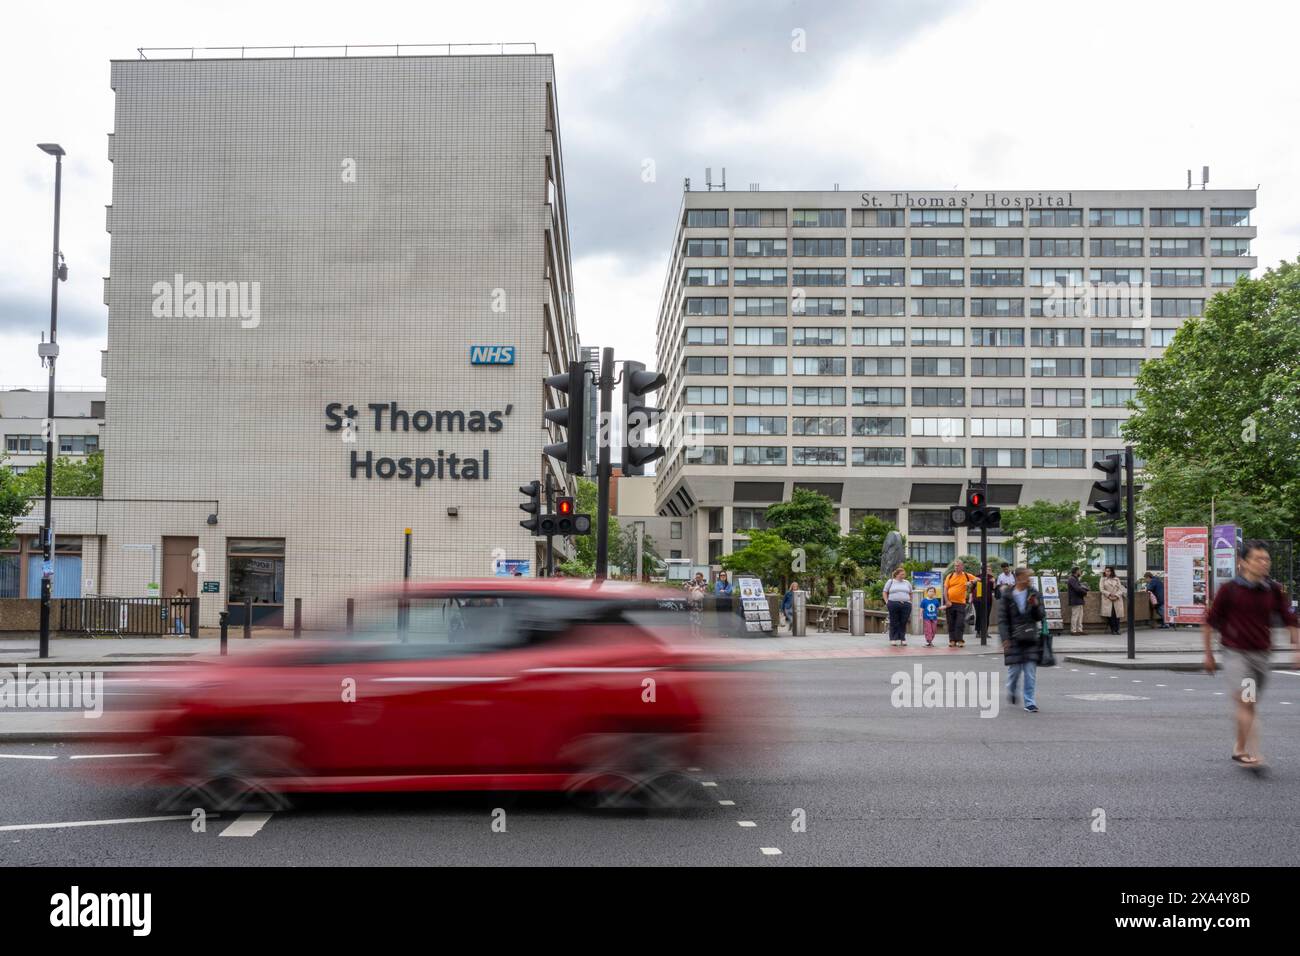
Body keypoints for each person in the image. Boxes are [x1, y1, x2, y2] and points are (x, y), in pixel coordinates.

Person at [1202, 541, 1300, 771]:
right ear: (1243, 562)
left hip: (1261, 655)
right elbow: (1209, 624)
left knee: (1249, 704)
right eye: (1259, 558)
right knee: (1247, 701)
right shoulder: (1230, 590)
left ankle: (1239, 747)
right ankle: (1254, 755)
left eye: (1267, 559)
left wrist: (1297, 650)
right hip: (1237, 654)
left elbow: (1289, 621)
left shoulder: (1273, 589)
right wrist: (1209, 655)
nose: (1264, 563)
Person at [1000, 566, 1046, 712]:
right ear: (1019, 578)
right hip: (1014, 638)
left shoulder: (1034, 593)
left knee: (1030, 671)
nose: (1029, 579)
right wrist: (1005, 638)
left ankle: (1029, 701)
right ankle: (1012, 689)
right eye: (1027, 577)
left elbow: (1040, 616)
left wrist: (1035, 606)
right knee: (1014, 671)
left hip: (1030, 637)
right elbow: (1002, 619)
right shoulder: (1007, 594)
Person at [941, 559, 977, 648]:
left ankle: (960, 640)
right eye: (955, 566)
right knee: (951, 622)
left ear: (962, 566)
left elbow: (978, 579)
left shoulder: (966, 575)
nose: (956, 567)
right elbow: (945, 590)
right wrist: (947, 601)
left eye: (958, 566)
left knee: (960, 622)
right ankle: (952, 640)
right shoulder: (950, 576)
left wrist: (971, 582)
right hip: (950, 603)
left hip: (961, 603)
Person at [882, 567, 913, 646]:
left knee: (903, 621)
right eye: (902, 574)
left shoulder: (907, 582)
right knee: (894, 621)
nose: (904, 575)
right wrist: (887, 601)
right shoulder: (891, 581)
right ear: (897, 574)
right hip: (893, 603)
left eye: (904, 574)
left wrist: (909, 601)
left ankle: (902, 638)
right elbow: (885, 592)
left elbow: (910, 592)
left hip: (906, 604)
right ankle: (893, 638)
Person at [1099, 566, 1124, 635]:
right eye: (1106, 571)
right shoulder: (1103, 579)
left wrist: (1116, 596)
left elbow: (1121, 589)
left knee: (1117, 615)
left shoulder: (1116, 579)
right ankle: (1113, 629)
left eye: (1108, 571)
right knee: (1110, 615)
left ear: (1112, 571)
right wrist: (1109, 595)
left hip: (1117, 599)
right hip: (1107, 599)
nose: (1107, 572)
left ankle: (1118, 629)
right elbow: (1101, 589)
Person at [1066, 567, 1089, 635]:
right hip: (1075, 600)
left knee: (1080, 616)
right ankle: (1073, 631)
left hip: (1079, 600)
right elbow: (1077, 589)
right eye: (1079, 571)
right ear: (1076, 571)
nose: (1080, 572)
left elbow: (1079, 588)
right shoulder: (1072, 579)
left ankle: (1079, 630)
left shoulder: (1075, 579)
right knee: (1075, 616)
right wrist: (1085, 593)